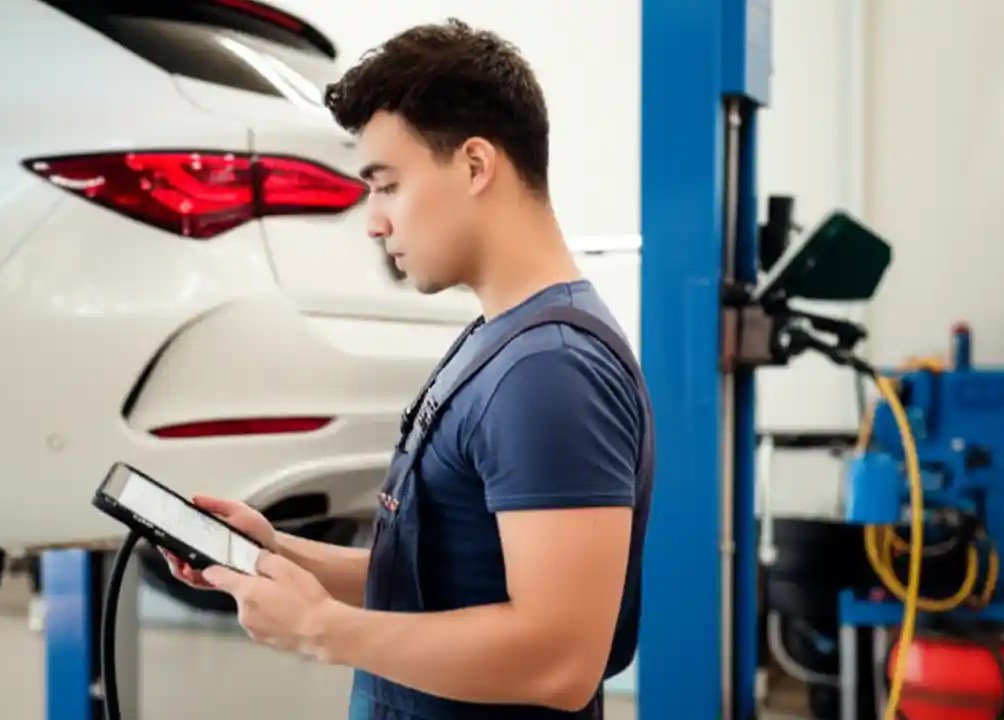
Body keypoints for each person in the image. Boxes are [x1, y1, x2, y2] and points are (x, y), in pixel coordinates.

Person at [163, 18, 654, 719]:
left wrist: (321, 629)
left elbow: (559, 660)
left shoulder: (552, 372)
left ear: (476, 165)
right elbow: (435, 580)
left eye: (387, 185)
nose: (373, 221)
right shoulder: (498, 343)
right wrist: (277, 555)